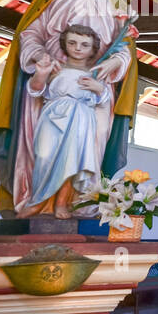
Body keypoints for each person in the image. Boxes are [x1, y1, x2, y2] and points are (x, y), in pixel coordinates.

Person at [0, 0, 139, 220]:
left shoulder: (118, 5)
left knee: (89, 151)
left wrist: (115, 63)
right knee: (41, 148)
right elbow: (30, 33)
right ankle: (35, 201)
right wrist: (38, 58)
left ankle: (78, 203)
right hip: (50, 84)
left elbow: (125, 49)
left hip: (94, 90)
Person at [24, 26, 111, 219]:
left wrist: (99, 88)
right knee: (44, 158)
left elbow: (104, 100)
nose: (78, 48)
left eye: (84, 45)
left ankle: (61, 203)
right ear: (64, 44)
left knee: (72, 161)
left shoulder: (96, 73)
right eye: (72, 42)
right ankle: (38, 201)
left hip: (81, 119)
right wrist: (40, 74)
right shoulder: (56, 68)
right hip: (53, 116)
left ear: (92, 48)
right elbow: (35, 90)